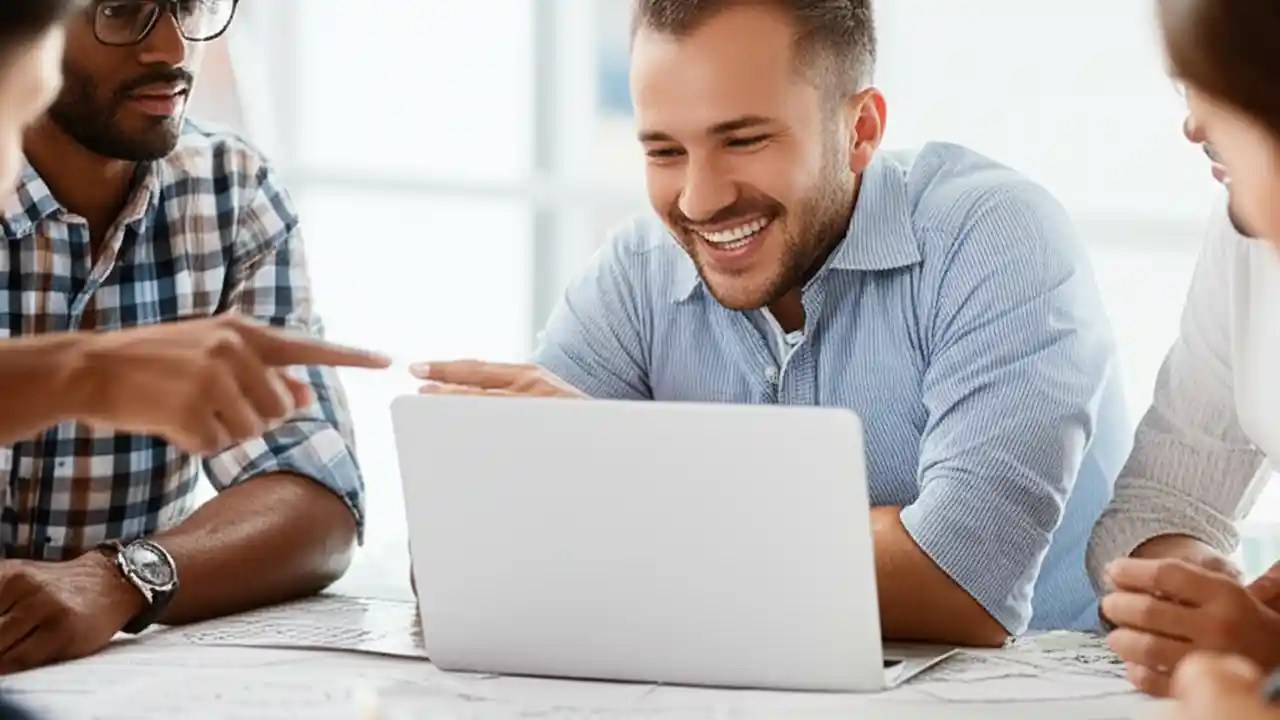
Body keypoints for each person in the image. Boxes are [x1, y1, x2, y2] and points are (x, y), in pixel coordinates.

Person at [410, 0, 1131, 645]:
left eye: (744, 140)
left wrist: (628, 486)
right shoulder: (637, 272)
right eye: (664, 150)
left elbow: (956, 581)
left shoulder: (994, 238)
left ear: (861, 129)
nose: (697, 199)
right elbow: (473, 560)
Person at [0, 0, 389, 675]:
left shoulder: (228, 191)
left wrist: (121, 578)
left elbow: (314, 489)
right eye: (122, 11)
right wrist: (90, 372)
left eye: (189, 5)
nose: (173, 49)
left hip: (110, 679)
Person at [1086, 0, 1280, 699]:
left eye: (1227, 88)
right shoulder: (1246, 227)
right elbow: (1158, 501)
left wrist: (1271, 659)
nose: (1193, 126)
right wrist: (1187, 589)